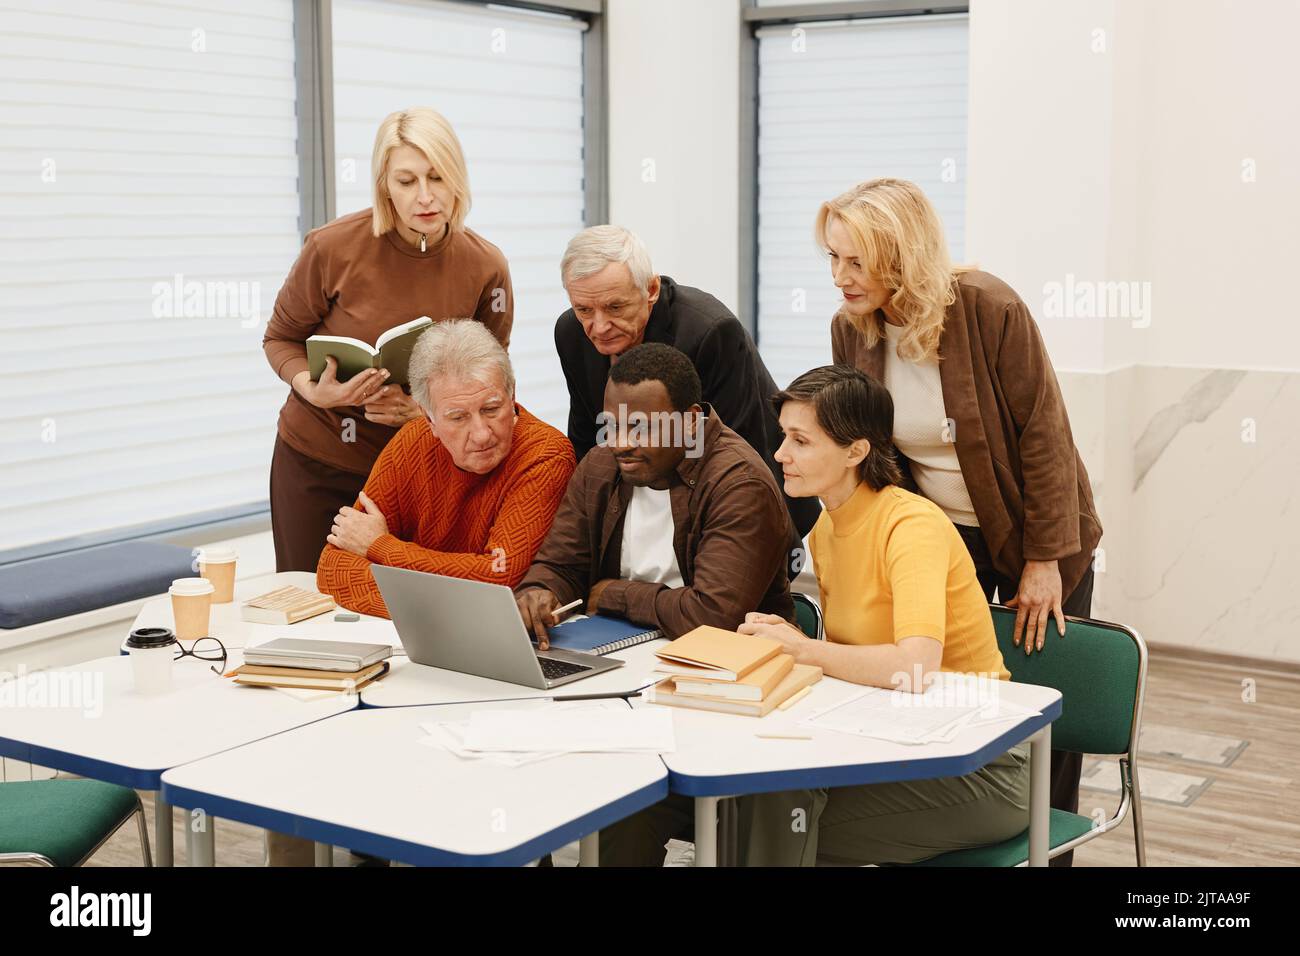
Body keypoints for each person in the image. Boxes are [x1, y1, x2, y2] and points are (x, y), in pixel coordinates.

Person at [604, 365, 1025, 867]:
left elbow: (916, 666)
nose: (780, 454)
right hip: (888, 738)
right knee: (647, 796)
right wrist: (789, 641)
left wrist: (803, 649)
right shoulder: (828, 529)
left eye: (801, 441)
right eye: (784, 437)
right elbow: (854, 657)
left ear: (856, 450)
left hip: (979, 763)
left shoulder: (911, 526)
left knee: (762, 808)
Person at [818, 178, 1101, 865]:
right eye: (832, 258)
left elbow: (1044, 436)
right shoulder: (849, 328)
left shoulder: (986, 308)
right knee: (942, 697)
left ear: (902, 254)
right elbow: (863, 446)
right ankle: (942, 830)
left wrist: (1043, 562)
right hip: (936, 539)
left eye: (857, 261)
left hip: (1033, 534)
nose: (840, 278)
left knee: (1041, 715)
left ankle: (1043, 853)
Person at [263, 107, 513, 573]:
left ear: (457, 176)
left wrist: (422, 413)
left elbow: (492, 379)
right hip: (319, 462)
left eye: (437, 177)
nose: (424, 197)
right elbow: (280, 338)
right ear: (383, 184)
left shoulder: (486, 265)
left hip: (419, 471)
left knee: (400, 615)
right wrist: (310, 388)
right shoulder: (330, 247)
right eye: (406, 181)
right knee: (311, 613)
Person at [553, 225, 821, 568]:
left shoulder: (710, 331)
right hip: (651, 501)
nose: (599, 325)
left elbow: (738, 454)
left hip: (743, 496)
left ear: (650, 289)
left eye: (615, 307)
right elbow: (587, 437)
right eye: (584, 309)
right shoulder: (570, 332)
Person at [515, 342, 793, 646]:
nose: (620, 443)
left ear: (689, 422)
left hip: (721, 665)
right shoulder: (600, 465)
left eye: (640, 428)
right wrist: (540, 593)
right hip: (615, 646)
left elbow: (714, 616)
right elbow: (561, 566)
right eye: (611, 425)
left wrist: (614, 594)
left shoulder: (740, 484)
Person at [316, 320, 575, 617]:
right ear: (428, 419)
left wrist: (382, 547)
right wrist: (450, 601)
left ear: (512, 394)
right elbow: (334, 568)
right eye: (458, 417)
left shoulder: (546, 456)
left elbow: (499, 580)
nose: (481, 433)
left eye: (492, 409)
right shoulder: (412, 441)